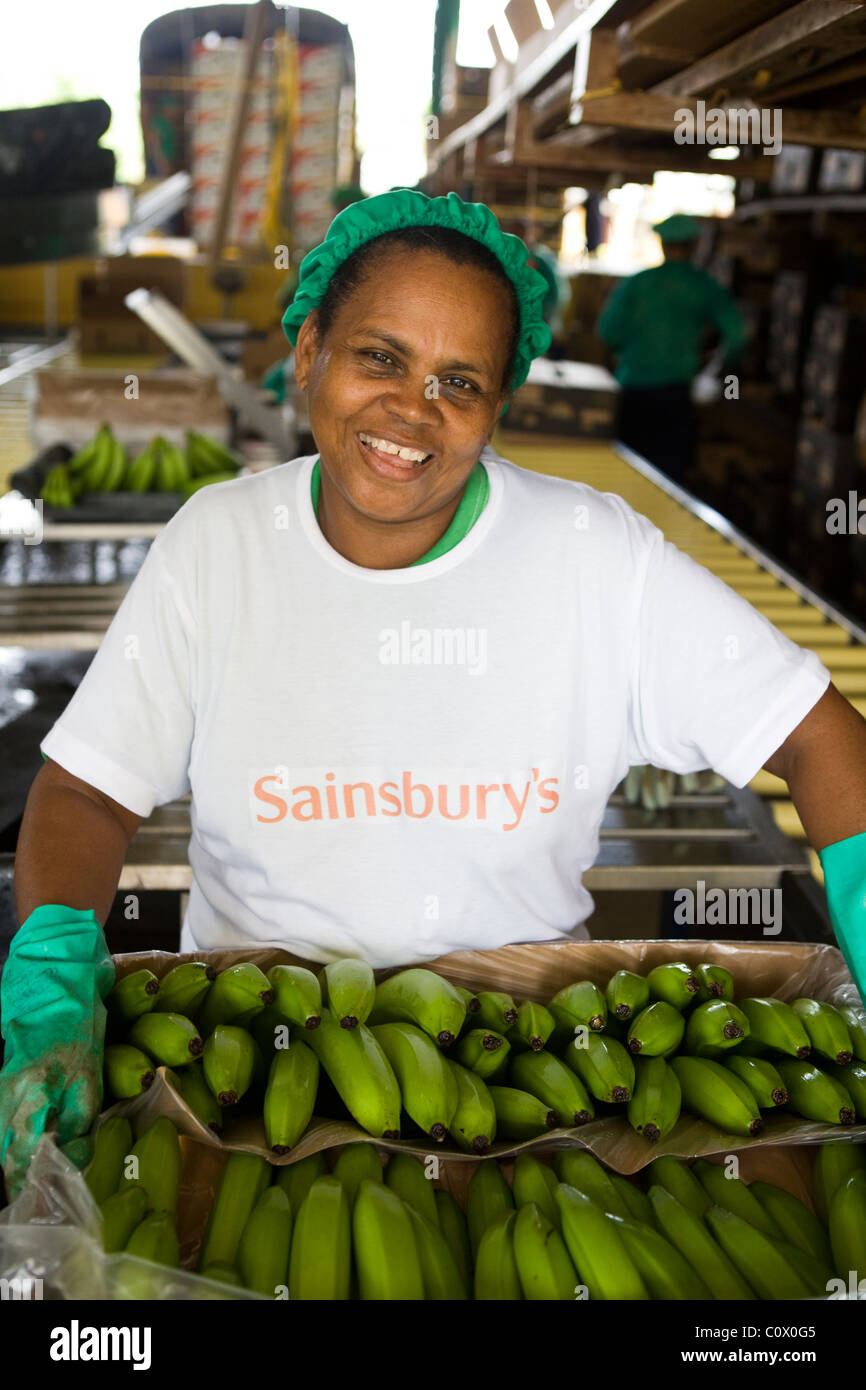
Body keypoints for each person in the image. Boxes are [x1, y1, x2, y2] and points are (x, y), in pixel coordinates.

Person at [2, 190, 865, 1197]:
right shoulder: (222, 541)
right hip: (240, 1066)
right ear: (311, 343)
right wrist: (57, 968)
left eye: (460, 380)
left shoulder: (594, 557)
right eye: (380, 356)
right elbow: (87, 790)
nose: (413, 410)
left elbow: (817, 737)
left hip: (526, 1076)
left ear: (499, 403)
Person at [596, 212, 746, 485]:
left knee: (628, 471)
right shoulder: (705, 287)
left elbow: (607, 331)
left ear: (663, 244)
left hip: (633, 390)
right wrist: (718, 370)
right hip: (676, 394)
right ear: (694, 246)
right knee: (668, 478)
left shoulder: (636, 284)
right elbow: (737, 337)